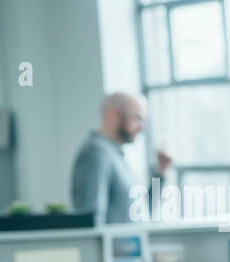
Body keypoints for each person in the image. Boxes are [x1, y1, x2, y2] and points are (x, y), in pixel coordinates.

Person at [70, 92, 172, 225]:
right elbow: (93, 221)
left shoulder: (115, 154)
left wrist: (161, 173)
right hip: (118, 246)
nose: (142, 128)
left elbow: (140, 210)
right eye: (137, 118)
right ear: (115, 115)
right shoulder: (95, 154)